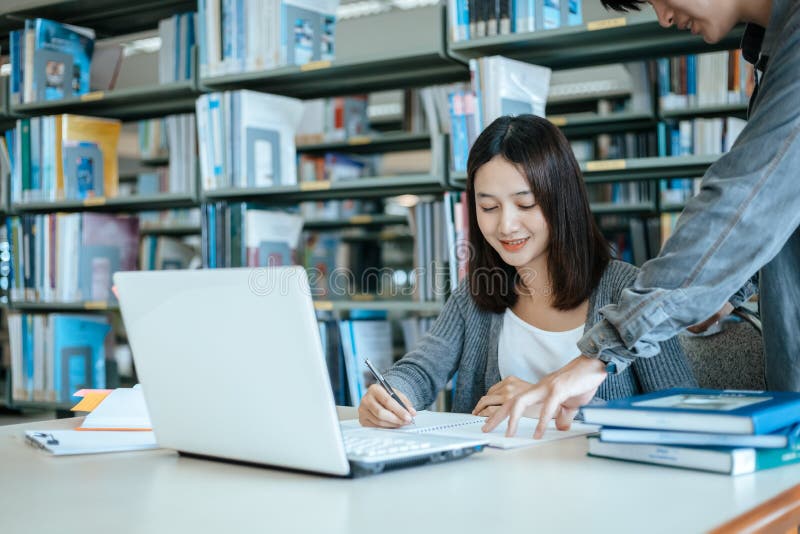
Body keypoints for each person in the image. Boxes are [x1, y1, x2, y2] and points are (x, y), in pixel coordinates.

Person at [483, 0, 800, 440]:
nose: (664, 18)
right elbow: (779, 205)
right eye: (487, 206)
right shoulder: (774, 55)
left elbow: (744, 199)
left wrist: (597, 355)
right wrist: (728, 286)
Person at [357, 114, 697, 429]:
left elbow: (685, 413)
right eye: (488, 207)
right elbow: (421, 369)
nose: (506, 225)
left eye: (525, 204)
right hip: (494, 483)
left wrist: (548, 406)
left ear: (561, 200)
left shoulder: (629, 291)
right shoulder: (475, 293)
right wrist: (392, 394)